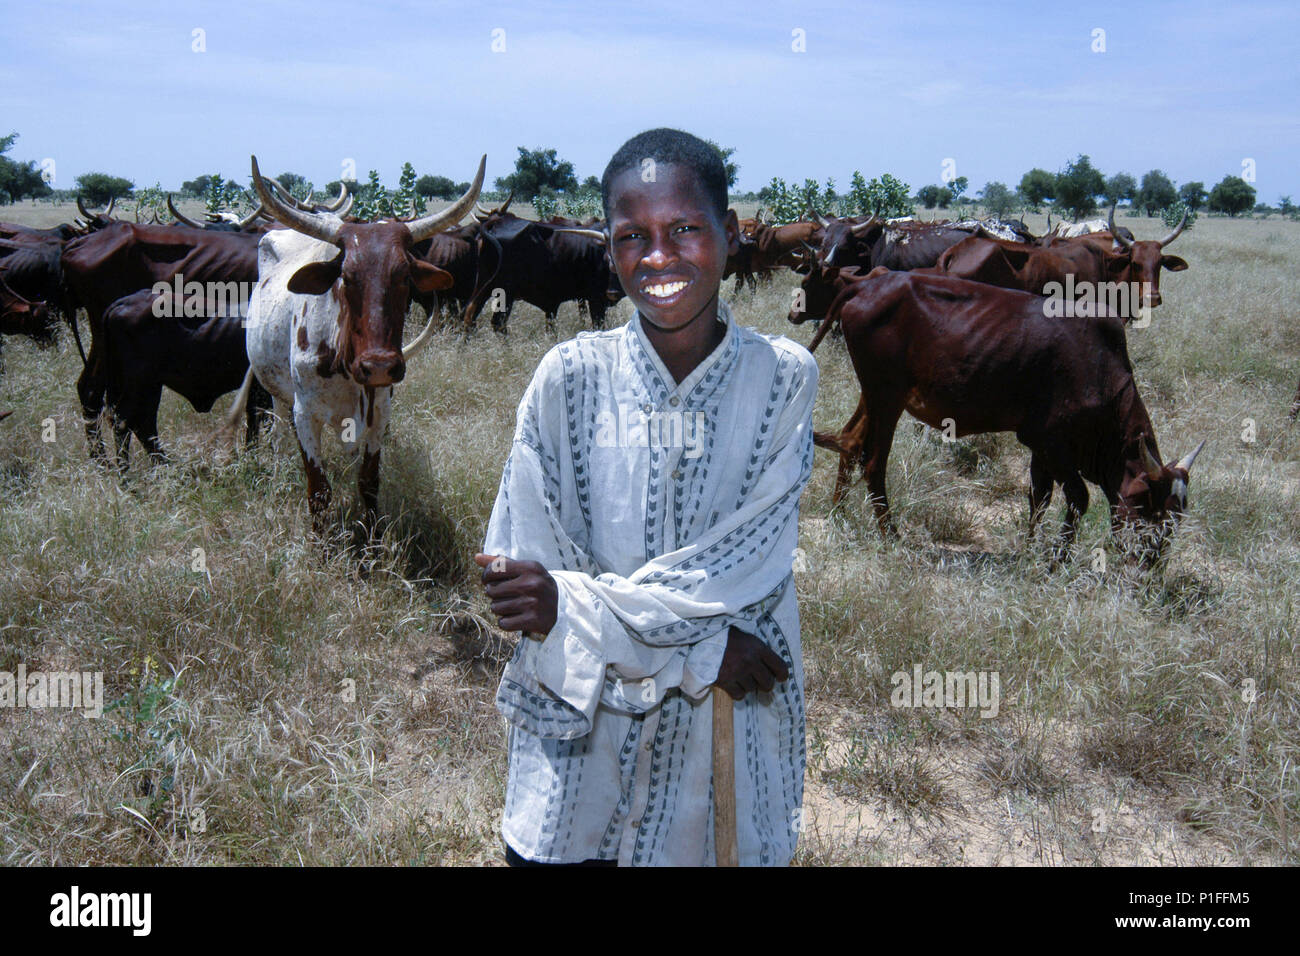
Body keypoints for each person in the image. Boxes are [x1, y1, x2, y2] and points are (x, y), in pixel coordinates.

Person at [474, 127, 818, 866]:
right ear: (607, 247)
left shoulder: (782, 380)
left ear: (730, 235)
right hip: (577, 755)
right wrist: (705, 651)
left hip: (723, 741)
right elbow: (519, 586)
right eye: (633, 235)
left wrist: (575, 607)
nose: (659, 257)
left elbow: (746, 567)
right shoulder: (566, 380)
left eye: (686, 229)